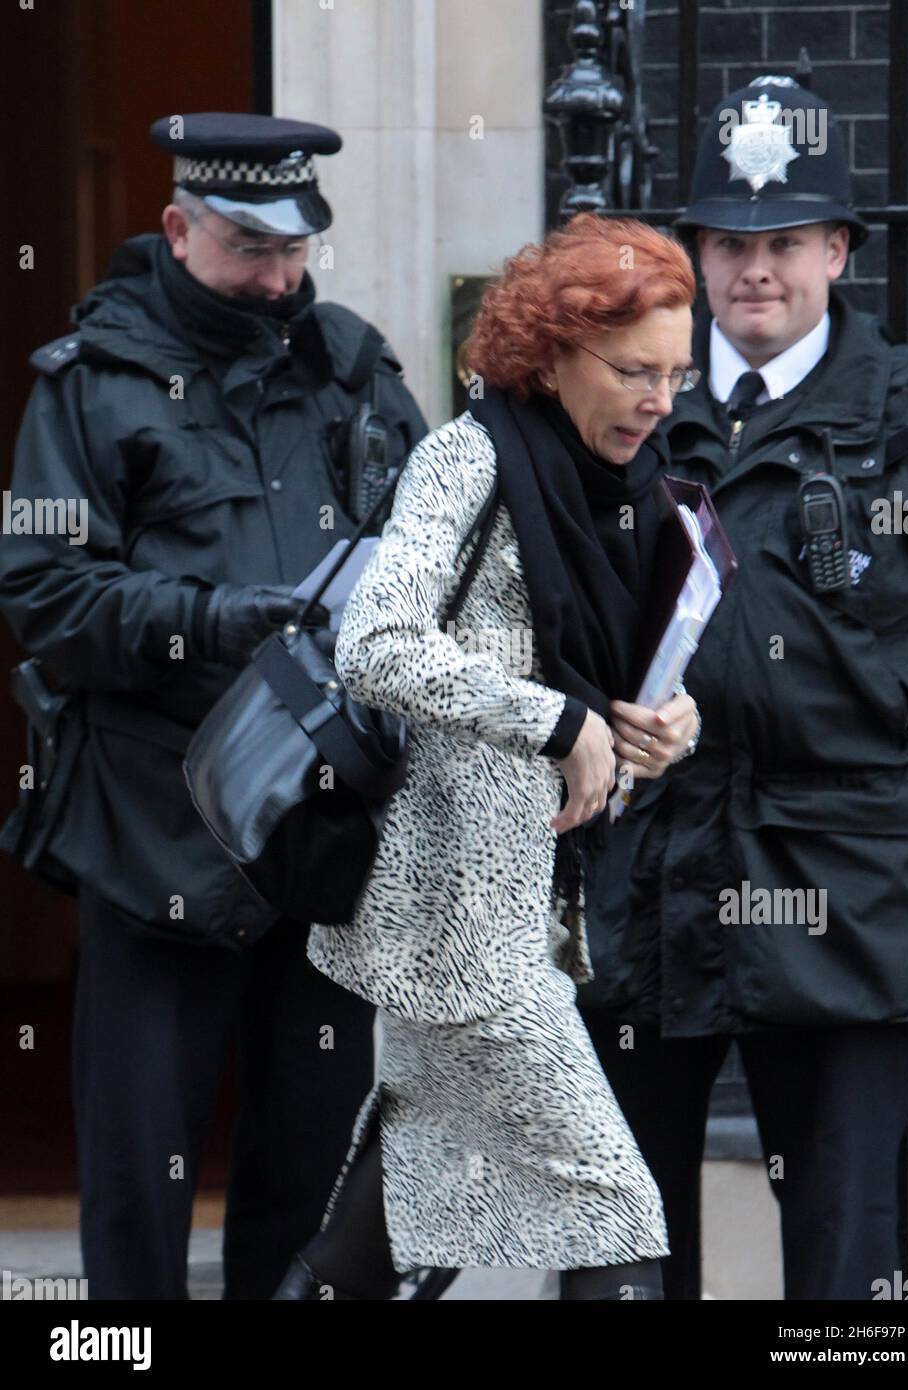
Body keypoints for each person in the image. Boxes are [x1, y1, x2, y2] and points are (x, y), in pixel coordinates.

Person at [0, 113, 427, 1299]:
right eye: (250, 249)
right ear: (178, 229)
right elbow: (46, 592)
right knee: (142, 1176)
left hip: (325, 836)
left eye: (296, 249)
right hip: (156, 830)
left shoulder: (356, 369)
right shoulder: (92, 386)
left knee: (310, 1167)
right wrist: (208, 614)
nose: (278, 278)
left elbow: (441, 565)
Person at [271, 212, 701, 1302]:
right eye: (634, 371)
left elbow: (577, 694)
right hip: (450, 919)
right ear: (554, 349)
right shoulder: (467, 456)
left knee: (382, 1235)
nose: (659, 401)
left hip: (524, 909)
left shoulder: (620, 497)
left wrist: (649, 726)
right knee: (616, 1209)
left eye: (675, 375)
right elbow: (375, 642)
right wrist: (558, 722)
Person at [577, 77, 908, 1301]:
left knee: (844, 1272)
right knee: (622, 1251)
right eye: (731, 243)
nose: (756, 272)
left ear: (835, 250)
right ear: (696, 252)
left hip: (846, 890)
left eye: (784, 243)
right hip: (649, 885)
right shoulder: (625, 407)